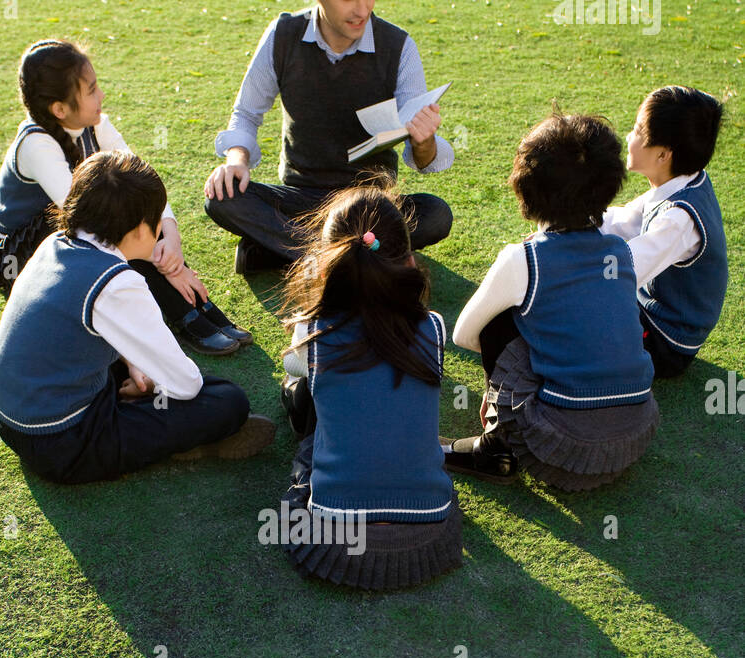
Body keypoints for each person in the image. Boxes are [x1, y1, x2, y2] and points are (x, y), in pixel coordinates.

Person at [0, 150, 275, 485]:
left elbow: (94, 325)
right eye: (158, 223)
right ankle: (189, 441)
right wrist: (151, 382)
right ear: (140, 229)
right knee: (227, 401)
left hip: (15, 418)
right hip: (63, 442)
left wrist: (135, 366)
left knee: (142, 373)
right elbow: (185, 384)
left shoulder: (54, 243)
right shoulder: (117, 282)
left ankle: (152, 418)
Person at [204, 0, 454, 275]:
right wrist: (237, 160)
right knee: (223, 197)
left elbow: (425, 158)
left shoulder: (398, 46)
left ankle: (281, 249)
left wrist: (425, 140)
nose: (362, 10)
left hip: (369, 202)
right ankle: (349, 255)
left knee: (435, 215)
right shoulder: (283, 35)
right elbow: (246, 114)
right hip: (301, 197)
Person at [0, 40, 248, 356]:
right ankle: (182, 312)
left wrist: (171, 237)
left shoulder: (94, 123)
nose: (102, 96)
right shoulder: (36, 144)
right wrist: (161, 260)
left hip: (82, 226)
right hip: (27, 249)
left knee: (133, 200)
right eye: (92, 90)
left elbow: (143, 181)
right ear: (59, 109)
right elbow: (84, 219)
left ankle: (197, 306)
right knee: (116, 224)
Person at [442, 113, 659, 490]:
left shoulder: (524, 258)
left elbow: (464, 334)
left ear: (526, 186)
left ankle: (495, 447)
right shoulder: (621, 252)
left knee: (504, 318)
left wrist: (503, 390)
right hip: (634, 437)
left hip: (561, 449)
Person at [274, 182, 462, 591]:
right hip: (429, 531)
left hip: (337, 539)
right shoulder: (432, 327)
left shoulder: (314, 331)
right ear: (410, 262)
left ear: (325, 266)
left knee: (302, 396)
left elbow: (294, 364)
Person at [601, 86, 727, 377]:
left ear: (662, 155)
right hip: (648, 311)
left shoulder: (678, 219)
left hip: (664, 342)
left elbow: (619, 273)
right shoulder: (681, 181)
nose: (629, 138)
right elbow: (622, 221)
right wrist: (565, 226)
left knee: (571, 312)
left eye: (637, 131)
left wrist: (561, 262)